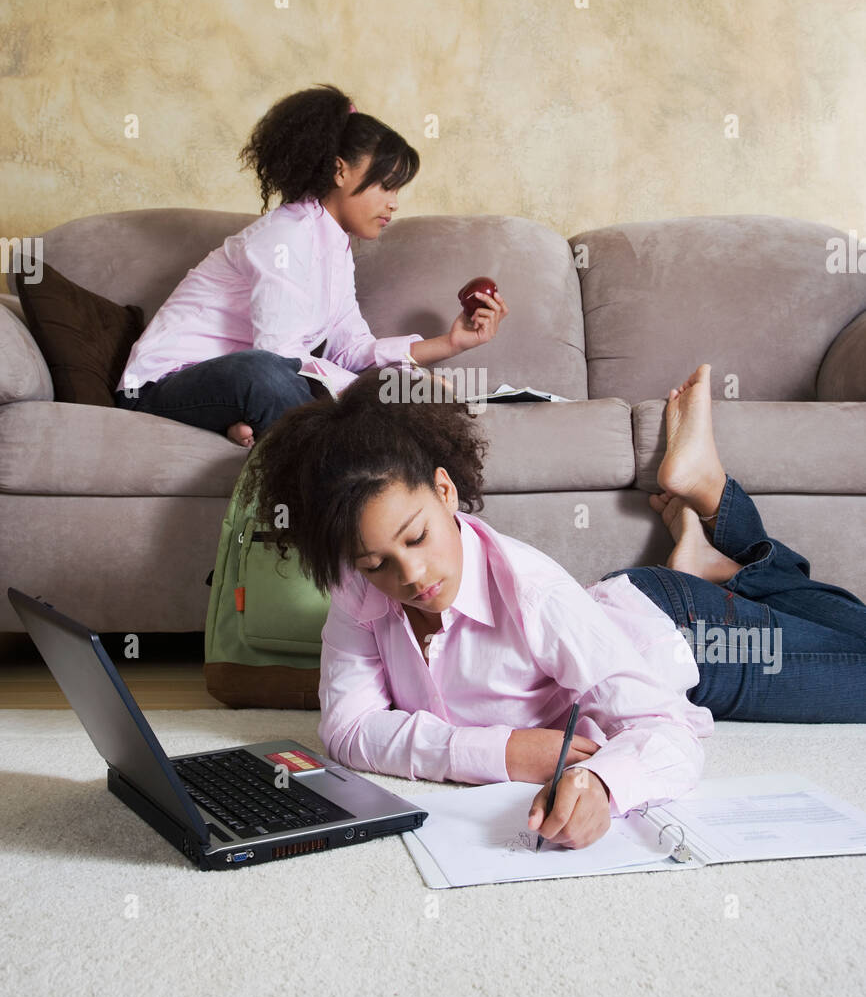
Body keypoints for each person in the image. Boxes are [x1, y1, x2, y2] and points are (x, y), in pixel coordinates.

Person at [239, 360, 866, 853]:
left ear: (445, 489)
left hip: (684, 634)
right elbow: (347, 731)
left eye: (417, 537)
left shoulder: (536, 594)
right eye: (375, 563)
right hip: (620, 610)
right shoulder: (359, 590)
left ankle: (713, 504)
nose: (413, 576)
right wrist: (507, 751)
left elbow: (666, 732)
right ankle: (710, 557)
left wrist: (604, 783)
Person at [113, 84, 508, 445]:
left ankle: (240, 425)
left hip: (231, 383)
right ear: (339, 170)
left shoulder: (335, 247)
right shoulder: (287, 235)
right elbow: (278, 356)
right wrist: (383, 388)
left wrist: (452, 343)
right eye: (386, 185)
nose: (394, 203)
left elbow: (353, 350)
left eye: (398, 190)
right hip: (157, 387)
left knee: (354, 389)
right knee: (268, 375)